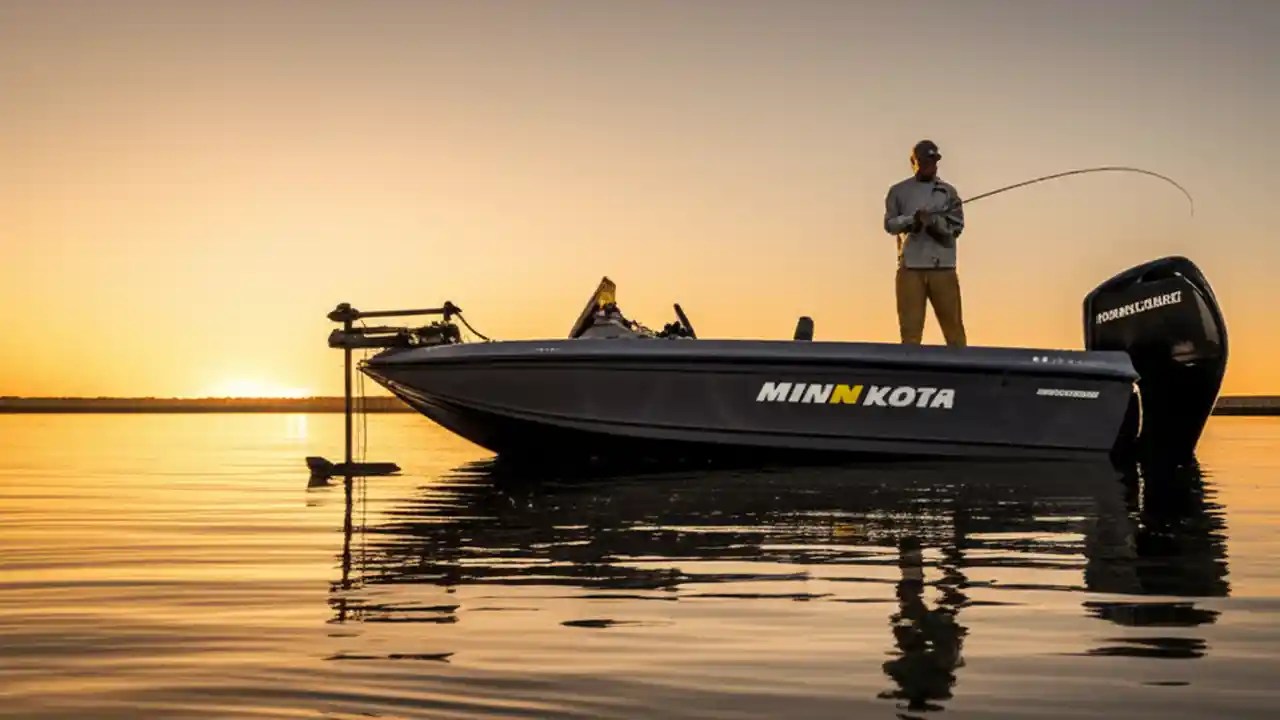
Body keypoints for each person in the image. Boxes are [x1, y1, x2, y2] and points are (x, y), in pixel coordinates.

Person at [883, 140, 967, 347]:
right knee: (910, 333)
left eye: (934, 160)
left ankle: (962, 374)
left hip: (943, 268)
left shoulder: (948, 192)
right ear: (914, 162)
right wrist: (913, 220)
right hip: (910, 268)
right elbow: (890, 224)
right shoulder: (898, 191)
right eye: (925, 160)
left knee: (954, 331)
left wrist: (934, 223)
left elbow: (956, 228)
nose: (930, 164)